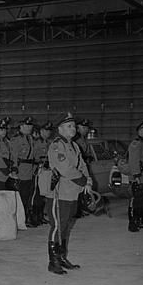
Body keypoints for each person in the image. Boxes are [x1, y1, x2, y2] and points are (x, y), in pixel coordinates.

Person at [45, 113, 92, 275]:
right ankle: (53, 261)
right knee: (57, 226)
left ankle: (62, 257)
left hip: (72, 194)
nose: (73, 129)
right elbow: (65, 169)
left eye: (73, 125)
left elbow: (83, 165)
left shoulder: (74, 146)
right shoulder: (57, 146)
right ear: (59, 129)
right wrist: (84, 181)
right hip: (60, 194)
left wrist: (89, 182)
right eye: (68, 126)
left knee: (65, 227)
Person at [10, 116, 37, 226]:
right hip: (21, 171)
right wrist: (14, 170)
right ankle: (19, 219)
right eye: (27, 125)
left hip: (29, 171)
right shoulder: (16, 139)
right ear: (21, 126)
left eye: (30, 125)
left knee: (27, 195)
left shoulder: (30, 138)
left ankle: (25, 217)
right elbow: (13, 155)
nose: (29, 127)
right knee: (21, 196)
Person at [31, 121, 54, 226]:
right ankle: (33, 216)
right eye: (45, 130)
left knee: (43, 194)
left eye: (49, 131)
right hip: (38, 170)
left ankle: (40, 216)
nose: (48, 133)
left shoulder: (49, 143)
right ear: (41, 131)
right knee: (36, 194)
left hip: (47, 171)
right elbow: (33, 156)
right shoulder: (36, 142)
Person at [0, 117, 18, 191]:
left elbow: (13, 156)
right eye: (1, 129)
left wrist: (14, 169)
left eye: (5, 129)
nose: (4, 131)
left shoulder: (8, 142)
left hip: (8, 176)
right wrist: (8, 173)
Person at [74, 118, 92, 218]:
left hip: (84, 166)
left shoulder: (83, 139)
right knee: (77, 189)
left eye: (87, 128)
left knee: (82, 189)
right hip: (77, 168)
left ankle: (80, 208)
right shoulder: (75, 140)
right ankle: (76, 210)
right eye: (83, 127)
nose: (86, 129)